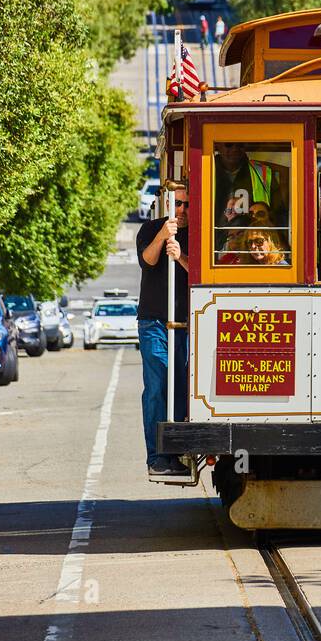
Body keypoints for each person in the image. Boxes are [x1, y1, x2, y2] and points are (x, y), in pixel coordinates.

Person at [136, 183, 191, 479]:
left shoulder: (199, 233)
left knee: (180, 385)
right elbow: (148, 260)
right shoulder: (149, 229)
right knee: (158, 381)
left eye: (187, 205)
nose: (182, 210)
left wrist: (180, 255)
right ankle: (156, 456)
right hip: (154, 322)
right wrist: (162, 236)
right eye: (177, 204)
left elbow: (200, 274)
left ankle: (174, 453)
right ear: (168, 203)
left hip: (184, 323)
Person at [219, 225, 289, 267]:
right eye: (249, 242)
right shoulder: (249, 265)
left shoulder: (281, 267)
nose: (253, 246)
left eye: (258, 241)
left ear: (271, 242)